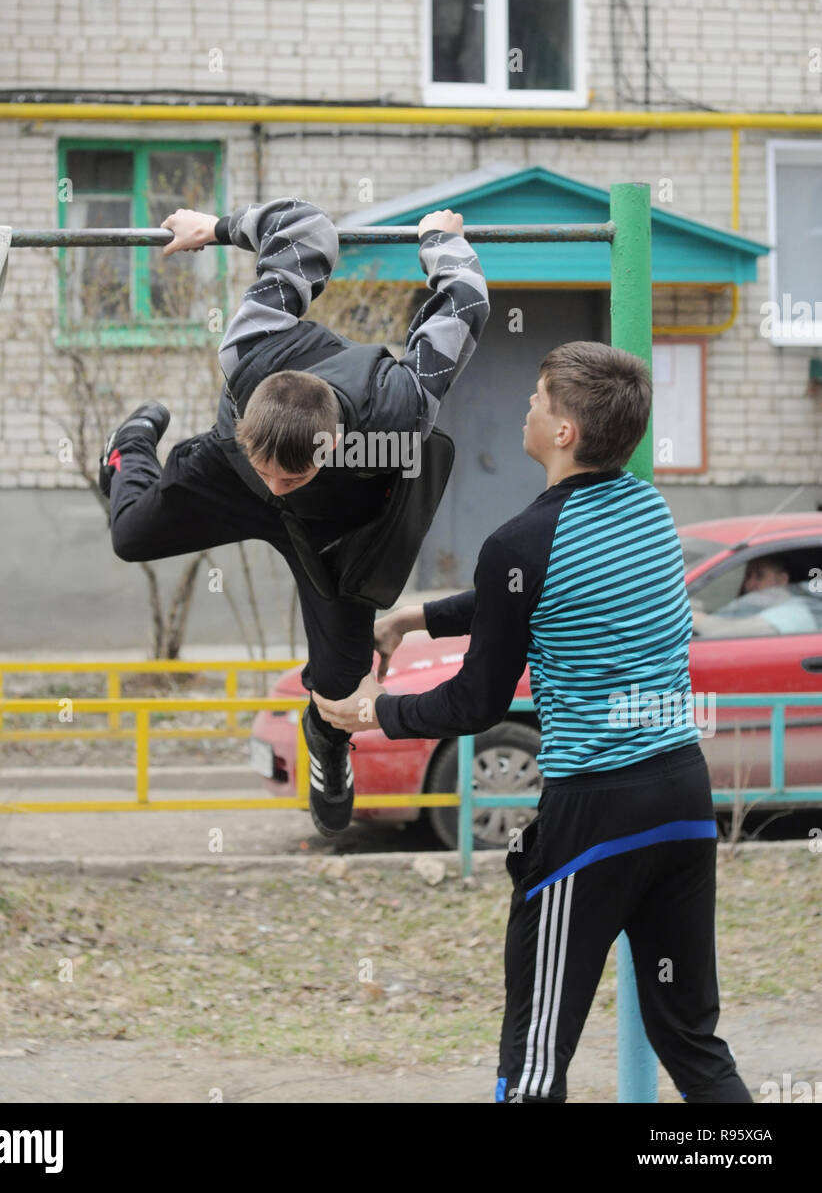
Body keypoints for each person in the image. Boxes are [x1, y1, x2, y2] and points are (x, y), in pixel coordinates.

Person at [315, 340, 751, 1103]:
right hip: (682, 801)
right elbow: (532, 590)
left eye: (538, 396)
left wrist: (372, 713)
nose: (526, 404)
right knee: (692, 1042)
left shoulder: (520, 541)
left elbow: (476, 703)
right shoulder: (650, 511)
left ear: (564, 433)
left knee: (536, 1065)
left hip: (593, 819)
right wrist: (418, 618)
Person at [98, 196, 490, 837]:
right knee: (129, 534)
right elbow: (304, 227)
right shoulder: (249, 343)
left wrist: (439, 241)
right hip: (229, 475)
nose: (278, 486)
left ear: (334, 447)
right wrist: (217, 228)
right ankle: (131, 445)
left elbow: (465, 303)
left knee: (340, 689)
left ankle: (329, 750)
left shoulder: (400, 405)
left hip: (332, 530)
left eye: (292, 475)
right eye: (271, 468)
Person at [691, 555, 817, 637]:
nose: (750, 583)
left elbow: (726, 631)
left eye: (759, 576)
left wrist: (690, 616)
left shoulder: (793, 613)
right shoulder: (758, 605)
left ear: (781, 580)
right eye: (748, 576)